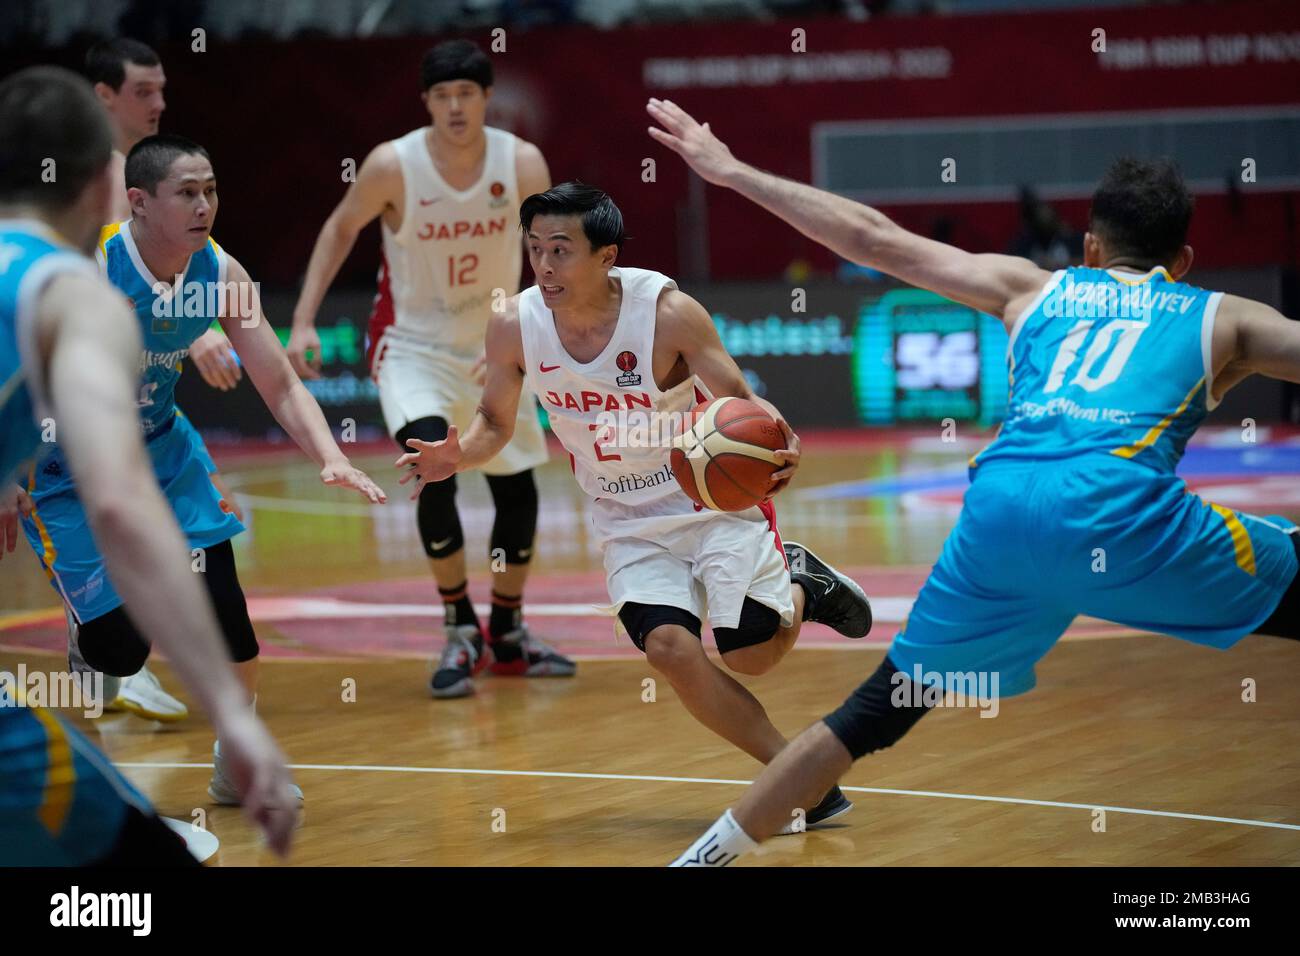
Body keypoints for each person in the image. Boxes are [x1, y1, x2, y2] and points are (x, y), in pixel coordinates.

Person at [645, 97, 1300, 866]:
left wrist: (730, 171)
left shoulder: (1031, 287)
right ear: (1183, 260)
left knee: (873, 715)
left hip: (997, 521)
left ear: (1089, 247)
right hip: (1123, 518)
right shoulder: (1222, 315)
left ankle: (700, 861)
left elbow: (870, 237)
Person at [400, 182, 875, 829]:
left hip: (710, 501)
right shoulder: (515, 324)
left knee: (751, 656)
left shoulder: (668, 313)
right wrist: (457, 455)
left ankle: (802, 584)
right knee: (672, 651)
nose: (543, 264)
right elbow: (492, 420)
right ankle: (802, 781)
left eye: (560, 250)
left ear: (606, 256)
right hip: (628, 520)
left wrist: (777, 437)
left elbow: (739, 396)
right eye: (534, 248)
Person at [19, 133, 386, 808]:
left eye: (211, 190)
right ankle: (89, 639)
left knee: (229, 618)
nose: (204, 205)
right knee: (120, 650)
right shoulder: (86, 266)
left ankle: (234, 759)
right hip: (65, 465)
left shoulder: (220, 274)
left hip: (163, 452)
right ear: (138, 203)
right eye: (186, 193)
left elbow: (276, 381)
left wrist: (331, 456)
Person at [0, 65, 297, 865]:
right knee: (111, 860)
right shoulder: (69, 294)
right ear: (109, 184)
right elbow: (122, 504)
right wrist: (234, 724)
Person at [290, 39, 574, 697]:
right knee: (433, 466)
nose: (454, 106)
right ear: (426, 103)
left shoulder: (521, 161)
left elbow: (552, 249)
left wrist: (527, 328)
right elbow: (339, 230)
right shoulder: (394, 165)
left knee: (517, 489)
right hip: (411, 346)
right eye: (442, 96)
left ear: (485, 99)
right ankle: (459, 626)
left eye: (466, 94)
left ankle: (506, 630)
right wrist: (304, 320)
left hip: (493, 348)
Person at [82, 37, 241, 721]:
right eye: (144, 90)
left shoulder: (154, 176)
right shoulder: (81, 176)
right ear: (104, 97)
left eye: (163, 89)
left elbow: (175, 275)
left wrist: (208, 319)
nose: (159, 102)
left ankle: (105, 670)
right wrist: (200, 328)